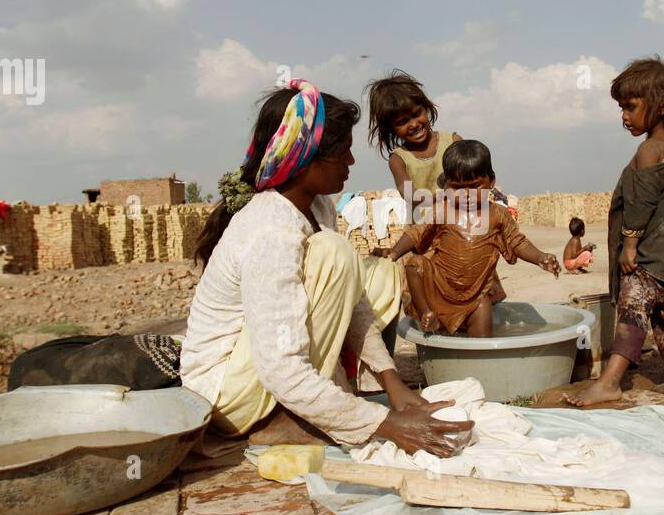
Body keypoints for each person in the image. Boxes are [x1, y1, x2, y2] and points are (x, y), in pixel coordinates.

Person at [180, 79, 471, 456]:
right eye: (344, 153)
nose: (351, 162)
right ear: (307, 158)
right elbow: (280, 366)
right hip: (226, 399)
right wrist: (381, 424)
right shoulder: (271, 230)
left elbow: (354, 303)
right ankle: (278, 419)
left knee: (370, 272)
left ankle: (315, 402)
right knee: (336, 254)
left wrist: (391, 380)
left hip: (259, 377)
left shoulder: (319, 208)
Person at [565, 57, 664, 406]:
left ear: (662, 105)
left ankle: (609, 381)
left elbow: (639, 206)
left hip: (648, 254)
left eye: (630, 107)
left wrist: (629, 246)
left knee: (632, 313)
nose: (624, 115)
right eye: (622, 108)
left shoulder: (648, 150)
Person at [376, 140, 559, 336]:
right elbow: (416, 233)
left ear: (491, 182)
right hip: (440, 288)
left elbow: (517, 242)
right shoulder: (442, 211)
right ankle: (427, 314)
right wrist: (393, 252)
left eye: (474, 186)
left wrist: (540, 257)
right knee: (414, 265)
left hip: (476, 295)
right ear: (446, 185)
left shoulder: (497, 215)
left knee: (481, 345)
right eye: (457, 187)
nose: (466, 195)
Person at [366, 70, 461, 212]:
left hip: (459, 221)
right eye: (402, 122)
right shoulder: (398, 159)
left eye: (417, 114)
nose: (413, 124)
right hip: (422, 228)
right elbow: (409, 194)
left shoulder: (452, 141)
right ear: (391, 129)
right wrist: (438, 198)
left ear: (426, 108)